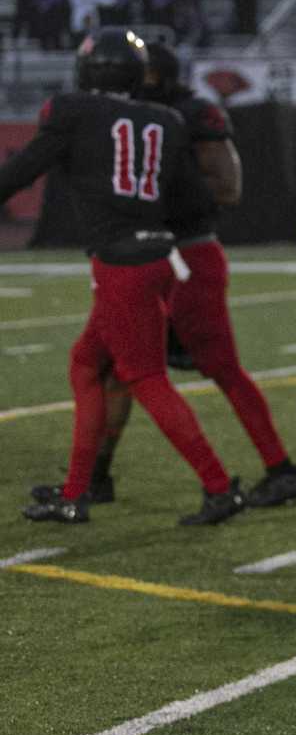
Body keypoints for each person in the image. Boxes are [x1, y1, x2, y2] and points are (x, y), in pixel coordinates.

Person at [31, 41, 296, 511]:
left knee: (208, 368)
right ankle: (94, 479)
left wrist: (143, 202)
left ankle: (275, 470)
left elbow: (227, 188)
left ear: (150, 76)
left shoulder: (186, 115)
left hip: (183, 257)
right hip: (142, 260)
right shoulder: (131, 117)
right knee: (105, 366)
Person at [4, 29, 246, 526]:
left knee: (146, 378)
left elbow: (22, 171)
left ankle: (219, 486)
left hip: (121, 264)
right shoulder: (165, 120)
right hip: (160, 256)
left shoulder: (72, 111)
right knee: (86, 364)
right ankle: (76, 491)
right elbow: (196, 200)